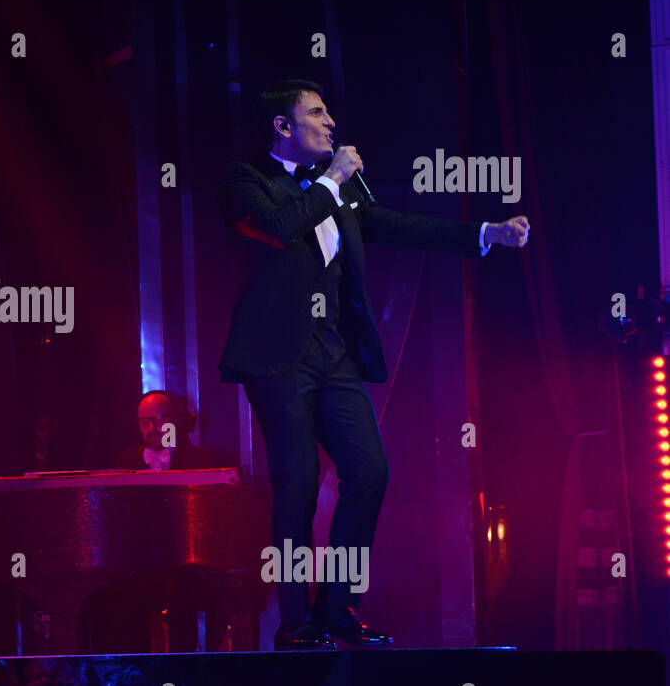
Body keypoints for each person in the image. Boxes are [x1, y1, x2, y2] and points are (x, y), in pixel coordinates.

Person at [218, 79, 530, 650]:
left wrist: (483, 233)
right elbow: (281, 228)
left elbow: (392, 225)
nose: (331, 121)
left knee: (370, 471)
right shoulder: (246, 182)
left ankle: (338, 609)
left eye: (329, 110)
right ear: (283, 127)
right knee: (298, 486)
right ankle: (295, 627)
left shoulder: (341, 188)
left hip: (333, 351)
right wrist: (333, 180)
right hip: (275, 356)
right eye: (316, 112)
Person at [112, 390, 228, 471]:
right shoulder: (124, 463)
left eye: (159, 419)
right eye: (145, 422)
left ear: (176, 420)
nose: (152, 428)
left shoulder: (204, 462)